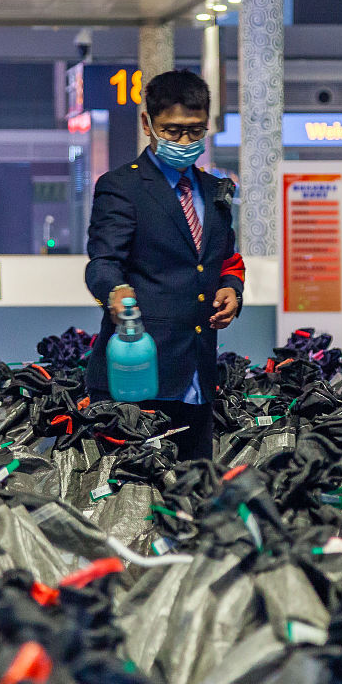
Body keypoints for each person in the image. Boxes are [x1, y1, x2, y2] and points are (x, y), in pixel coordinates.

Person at [85, 69, 246, 461]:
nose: (185, 141)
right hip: (136, 378)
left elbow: (225, 258)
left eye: (195, 131)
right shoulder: (121, 187)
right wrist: (116, 291)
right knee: (132, 505)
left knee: (193, 500)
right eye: (172, 130)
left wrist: (232, 289)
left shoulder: (215, 191)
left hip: (197, 379)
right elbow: (103, 262)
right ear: (147, 124)